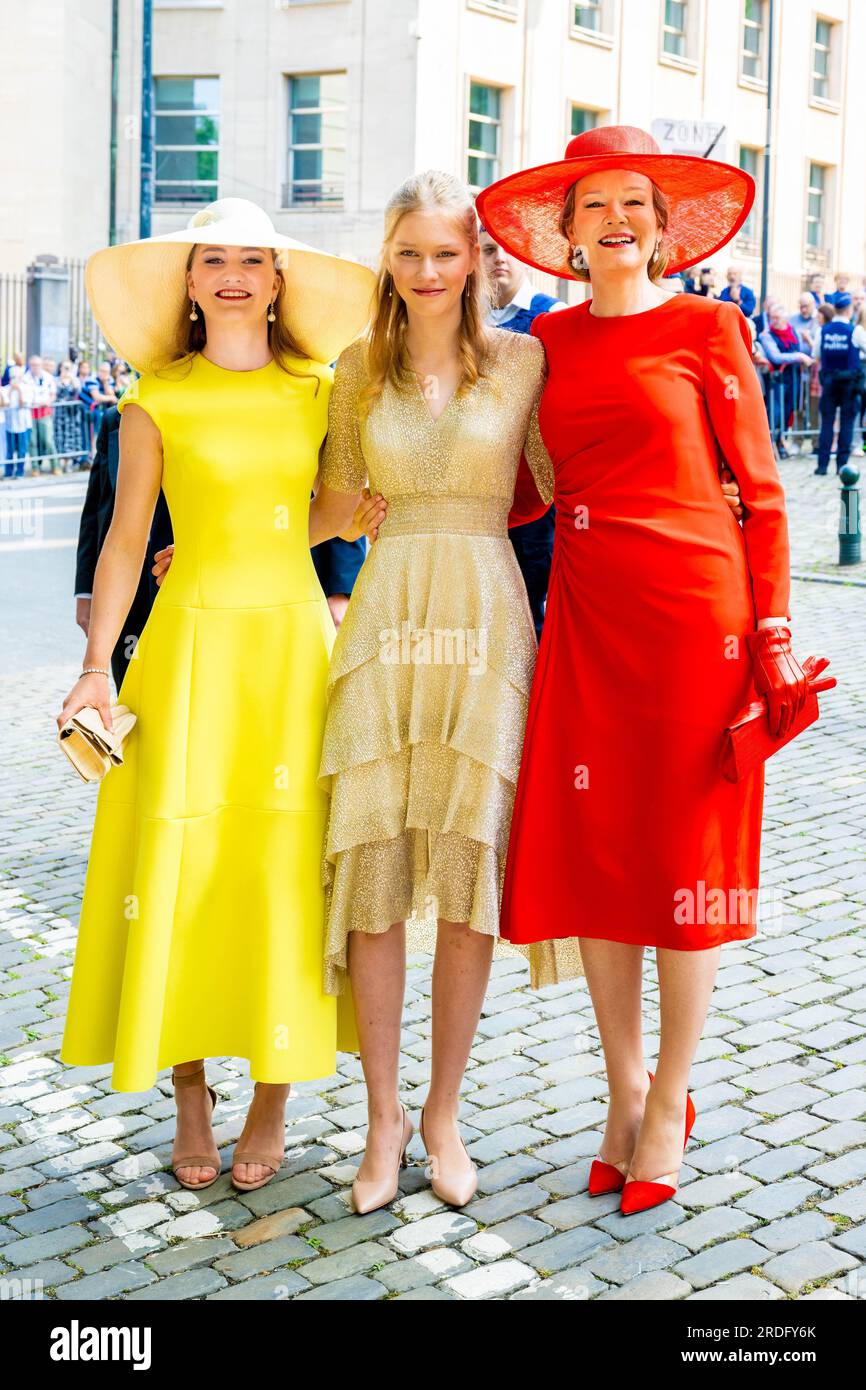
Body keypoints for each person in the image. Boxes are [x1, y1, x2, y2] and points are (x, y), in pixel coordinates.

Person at [478, 123, 806, 1216]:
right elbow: (514, 482)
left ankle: (670, 1093)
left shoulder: (710, 328)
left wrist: (766, 637)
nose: (615, 220)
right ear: (566, 235)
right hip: (586, 617)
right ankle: (620, 1087)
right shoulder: (541, 343)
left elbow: (758, 490)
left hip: (694, 622)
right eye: (593, 206)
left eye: (634, 204)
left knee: (682, 854)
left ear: (661, 232)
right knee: (603, 859)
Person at [56, 198, 377, 1194]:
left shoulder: (321, 390)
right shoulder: (157, 396)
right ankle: (190, 1088)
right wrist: (96, 663)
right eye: (213, 260)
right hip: (188, 646)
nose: (234, 273)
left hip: (287, 650)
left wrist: (350, 508)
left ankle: (273, 1094)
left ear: (278, 282)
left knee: (281, 868)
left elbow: (321, 514)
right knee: (182, 860)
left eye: (253, 259)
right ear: (189, 285)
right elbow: (123, 536)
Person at [479, 224, 566, 639]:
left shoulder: (552, 317)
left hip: (536, 492)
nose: (499, 258)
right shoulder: (463, 322)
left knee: (532, 609)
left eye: (509, 249)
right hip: (478, 488)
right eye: (488, 249)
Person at [814, 291, 866, 476]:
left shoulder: (823, 330)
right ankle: (842, 466)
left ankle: (822, 466)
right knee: (846, 424)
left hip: (828, 382)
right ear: (849, 310)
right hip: (849, 384)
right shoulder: (855, 330)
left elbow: (816, 355)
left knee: (827, 424)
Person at [758, 306, 813, 457]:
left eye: (777, 318)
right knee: (775, 411)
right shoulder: (766, 335)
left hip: (793, 377)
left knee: (789, 410)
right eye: (772, 318)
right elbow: (776, 356)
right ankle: (769, 443)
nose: (774, 321)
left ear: (785, 320)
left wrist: (799, 356)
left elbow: (799, 348)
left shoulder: (792, 330)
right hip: (777, 378)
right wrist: (798, 357)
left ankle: (780, 441)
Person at [54, 359, 90, 469]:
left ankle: (70, 461)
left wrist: (71, 378)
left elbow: (78, 392)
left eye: (68, 367)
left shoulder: (75, 380)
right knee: (60, 436)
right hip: (60, 415)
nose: (66, 369)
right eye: (64, 367)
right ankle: (61, 460)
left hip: (72, 415)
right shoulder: (56, 380)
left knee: (72, 437)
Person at [23, 354, 56, 471]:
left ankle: (55, 465)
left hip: (44, 411)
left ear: (41, 365)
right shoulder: (25, 378)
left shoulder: (48, 377)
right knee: (32, 441)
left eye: (37, 365)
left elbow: (53, 395)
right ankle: (35, 467)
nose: (35, 367)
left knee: (47, 440)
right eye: (32, 365)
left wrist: (47, 401)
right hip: (30, 413)